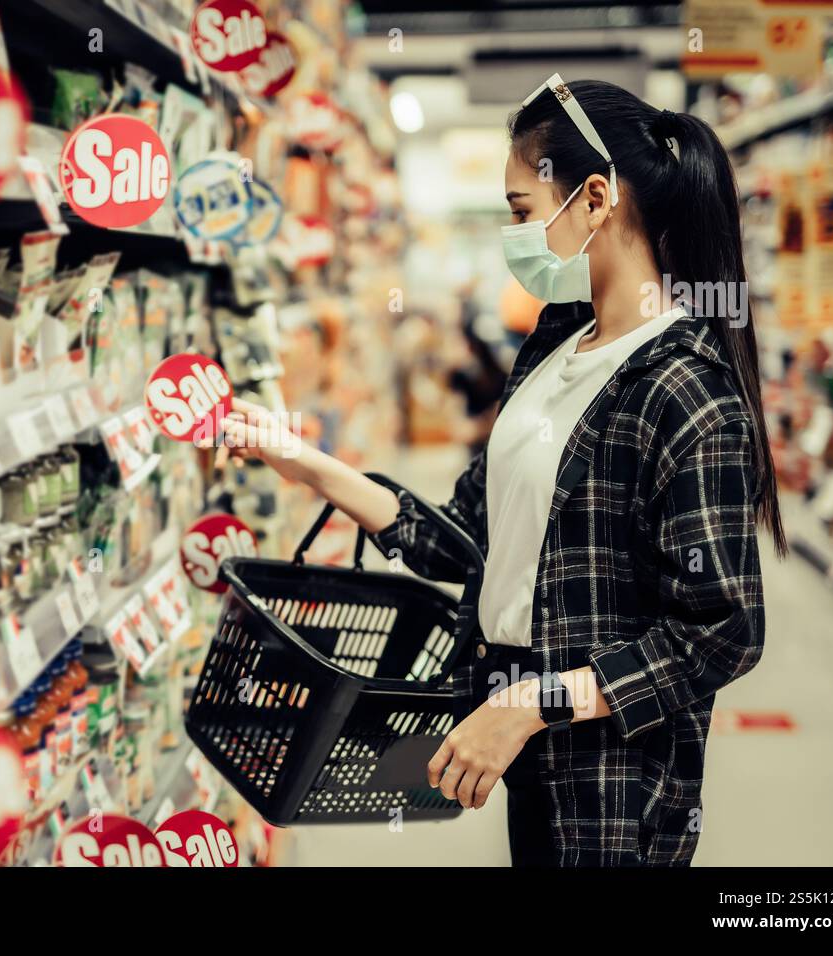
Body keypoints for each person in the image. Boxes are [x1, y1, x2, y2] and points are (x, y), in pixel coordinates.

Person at [202, 74, 783, 867]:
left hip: (613, 776)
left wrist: (535, 704)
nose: (516, 235)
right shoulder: (555, 347)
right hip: (526, 740)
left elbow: (722, 631)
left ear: (596, 198)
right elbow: (464, 537)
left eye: (521, 209)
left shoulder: (685, 389)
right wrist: (298, 460)